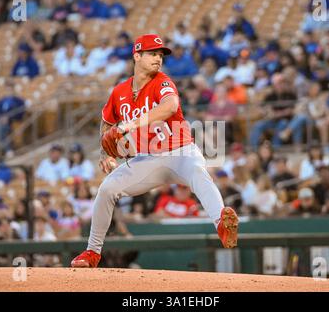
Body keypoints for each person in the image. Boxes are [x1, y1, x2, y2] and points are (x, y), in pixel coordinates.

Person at [71, 34, 239, 268]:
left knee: (200, 174)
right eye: (152, 53)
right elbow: (107, 121)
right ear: (136, 56)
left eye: (160, 55)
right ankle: (92, 252)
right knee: (107, 189)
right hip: (147, 159)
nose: (158, 58)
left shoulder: (163, 82)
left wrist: (129, 124)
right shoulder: (119, 92)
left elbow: (170, 106)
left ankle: (221, 222)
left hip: (181, 152)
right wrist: (105, 152)